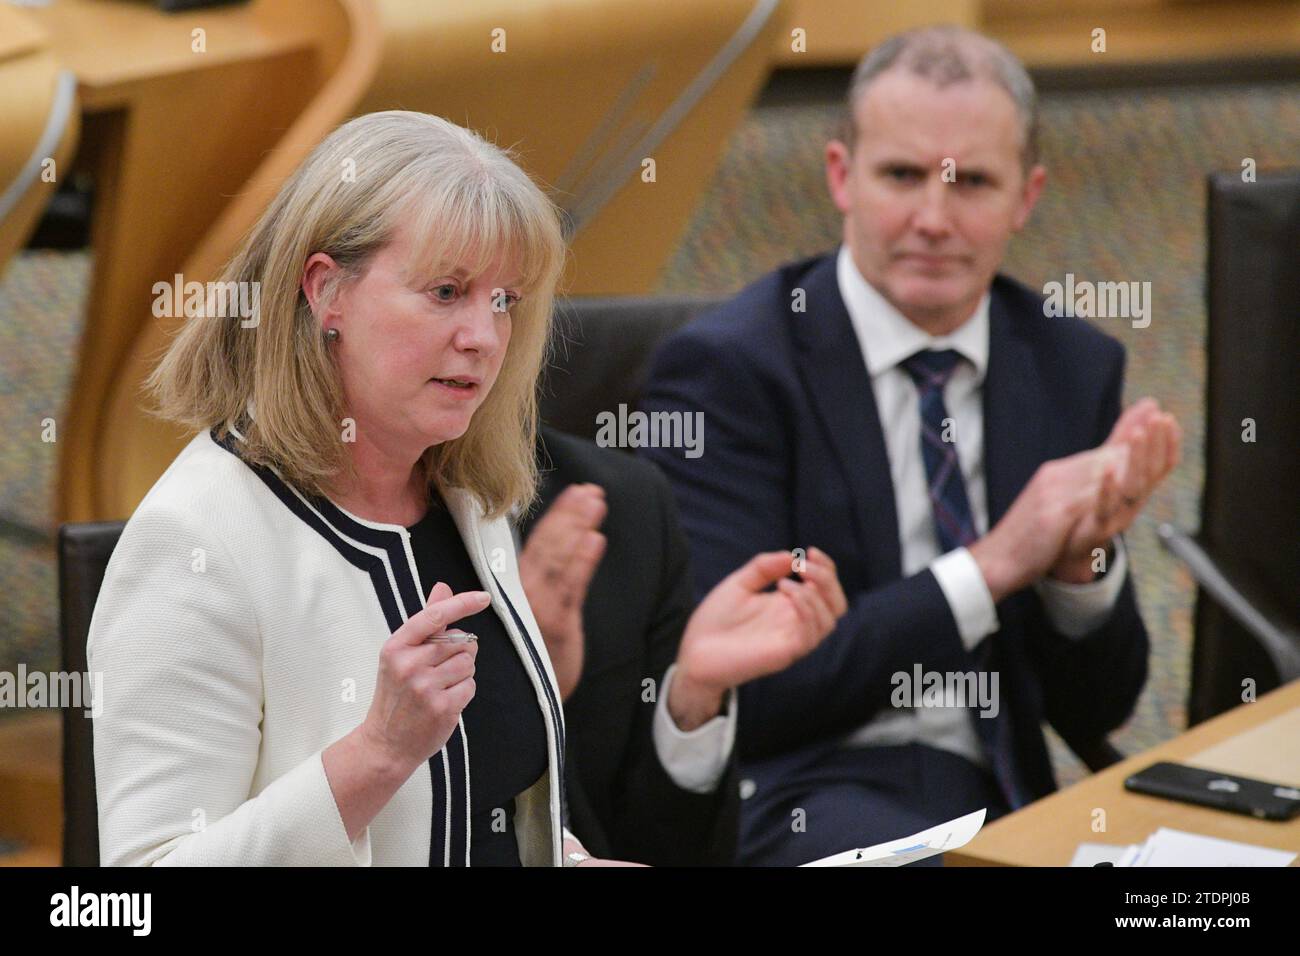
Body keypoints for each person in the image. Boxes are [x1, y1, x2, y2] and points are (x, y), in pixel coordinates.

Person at [88, 109, 843, 867]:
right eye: (447, 291)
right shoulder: (196, 541)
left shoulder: (468, 498)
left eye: (504, 300)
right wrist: (375, 754)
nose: (482, 336)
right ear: (327, 294)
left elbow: (482, 812)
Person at [639, 26, 1182, 866]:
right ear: (839, 177)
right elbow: (750, 695)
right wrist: (995, 564)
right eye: (901, 175)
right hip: (801, 793)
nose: (933, 218)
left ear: (1026, 197)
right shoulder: (731, 372)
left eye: (971, 183)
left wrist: (1080, 571)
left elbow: (1100, 707)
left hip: (998, 795)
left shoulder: (1071, 364)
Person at [517, 425, 846, 865]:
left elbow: (666, 849)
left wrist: (693, 697)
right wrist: (514, 684)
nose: (478, 350)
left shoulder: (626, 501)